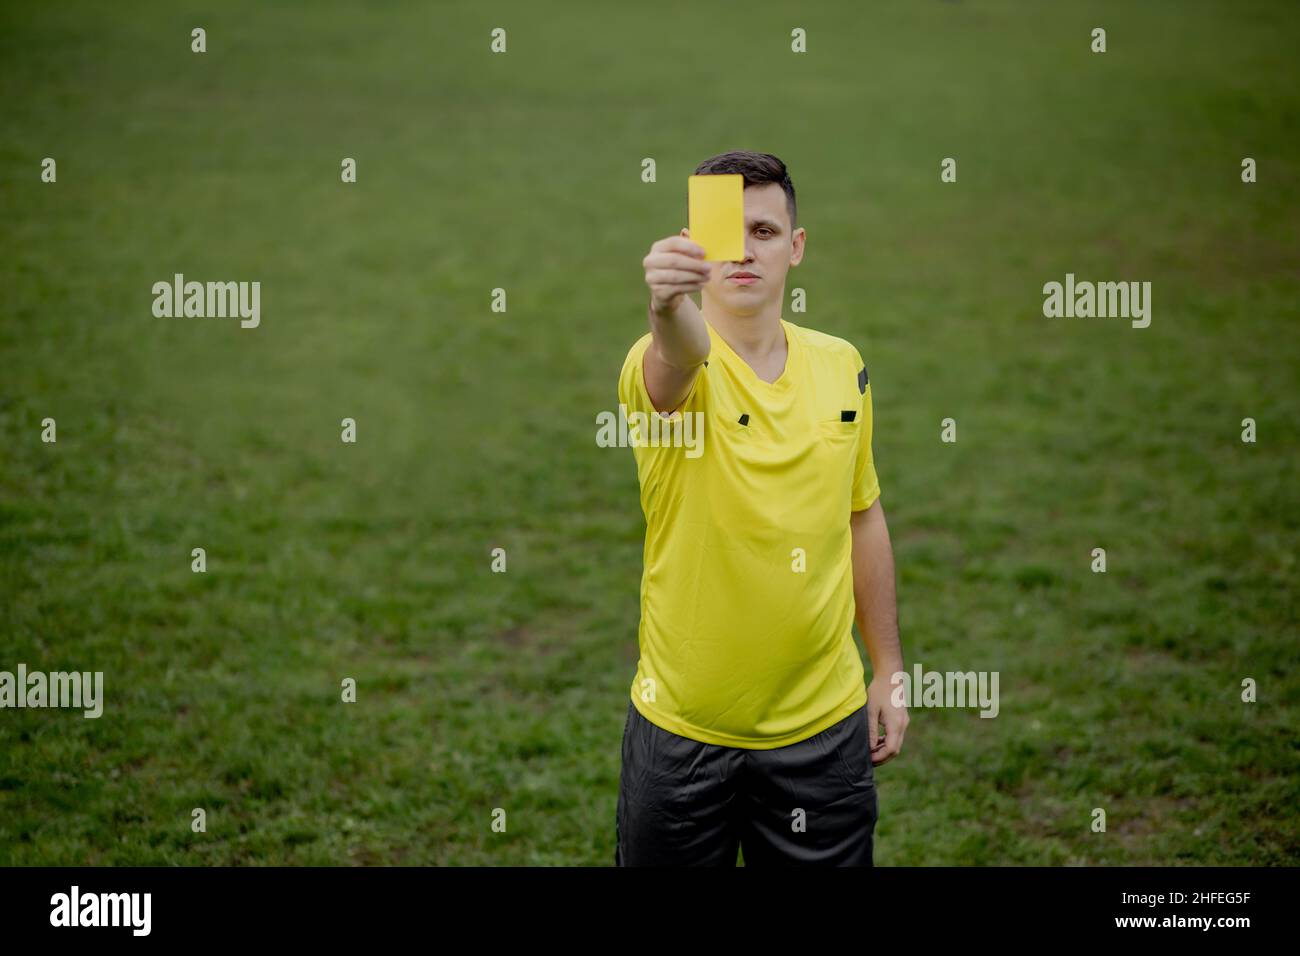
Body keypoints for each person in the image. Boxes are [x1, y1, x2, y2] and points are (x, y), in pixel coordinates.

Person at [615, 150, 908, 866]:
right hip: (683, 737)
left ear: (796, 248)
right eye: (725, 234)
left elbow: (861, 515)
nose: (744, 251)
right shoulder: (664, 367)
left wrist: (889, 667)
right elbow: (677, 357)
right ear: (691, 250)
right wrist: (664, 306)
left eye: (766, 232)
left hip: (824, 733)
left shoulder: (842, 365)